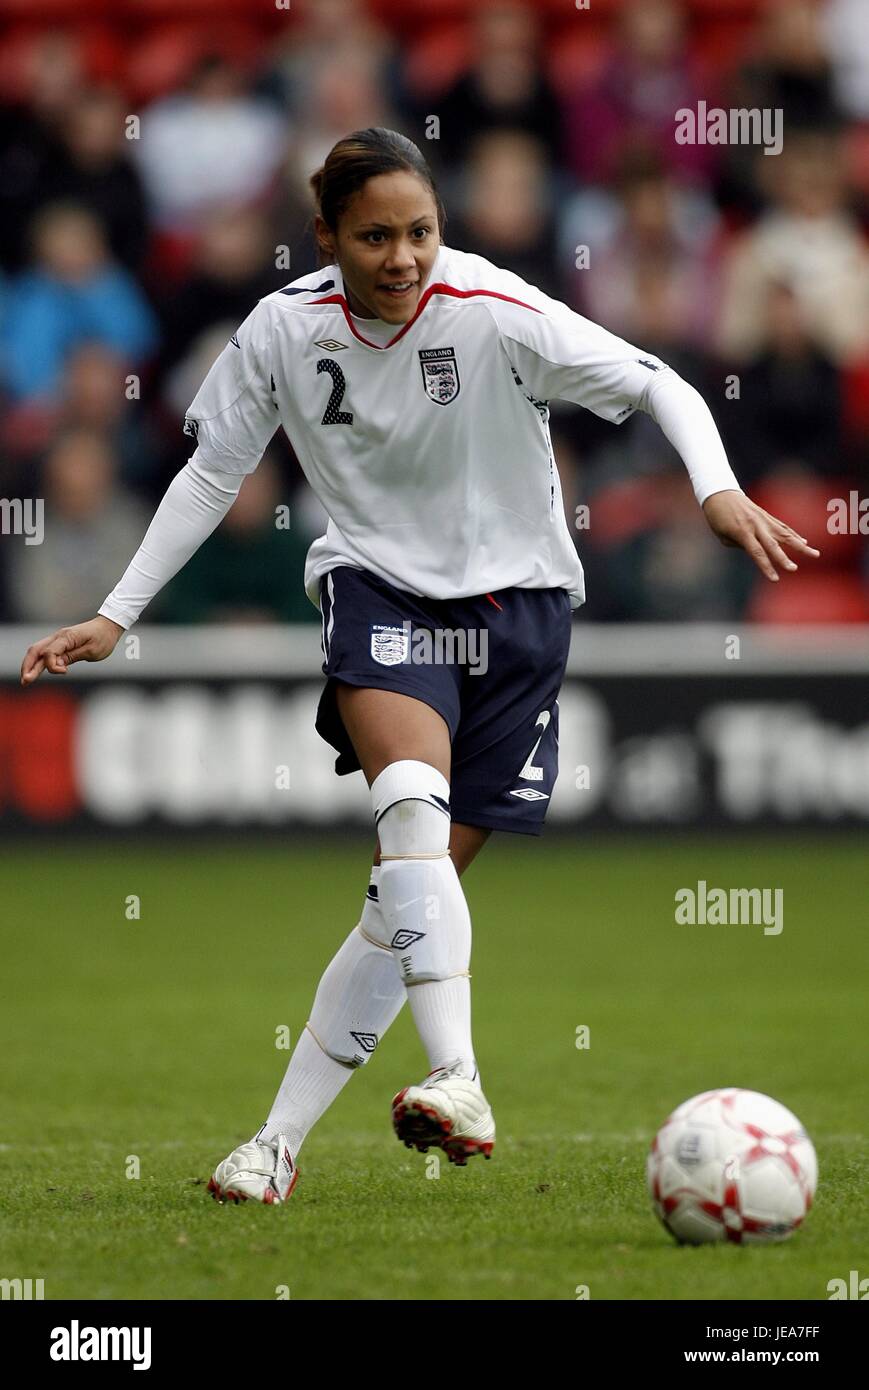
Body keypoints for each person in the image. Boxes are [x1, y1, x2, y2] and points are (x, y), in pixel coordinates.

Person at [20, 127, 819, 1205]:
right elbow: (212, 474)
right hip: (379, 592)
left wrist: (715, 488)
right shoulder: (279, 333)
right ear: (326, 238)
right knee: (406, 811)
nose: (404, 257)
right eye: (377, 236)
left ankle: (273, 1148)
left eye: (421, 232)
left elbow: (656, 384)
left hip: (520, 614)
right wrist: (117, 615)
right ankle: (460, 1076)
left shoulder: (493, 310)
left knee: (403, 903)